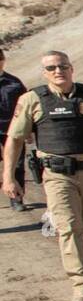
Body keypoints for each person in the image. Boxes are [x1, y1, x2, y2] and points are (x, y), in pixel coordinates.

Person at [1, 51, 83, 301]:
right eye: (51, 68)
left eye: (62, 66)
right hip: (57, 175)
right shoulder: (32, 99)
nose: (57, 71)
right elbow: (14, 139)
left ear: (71, 69)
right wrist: (8, 177)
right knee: (69, 227)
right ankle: (82, 282)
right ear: (44, 73)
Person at [0, 48, 28, 210]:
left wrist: (29, 130)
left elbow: (26, 107)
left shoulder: (14, 84)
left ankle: (16, 198)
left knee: (16, 165)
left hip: (12, 131)